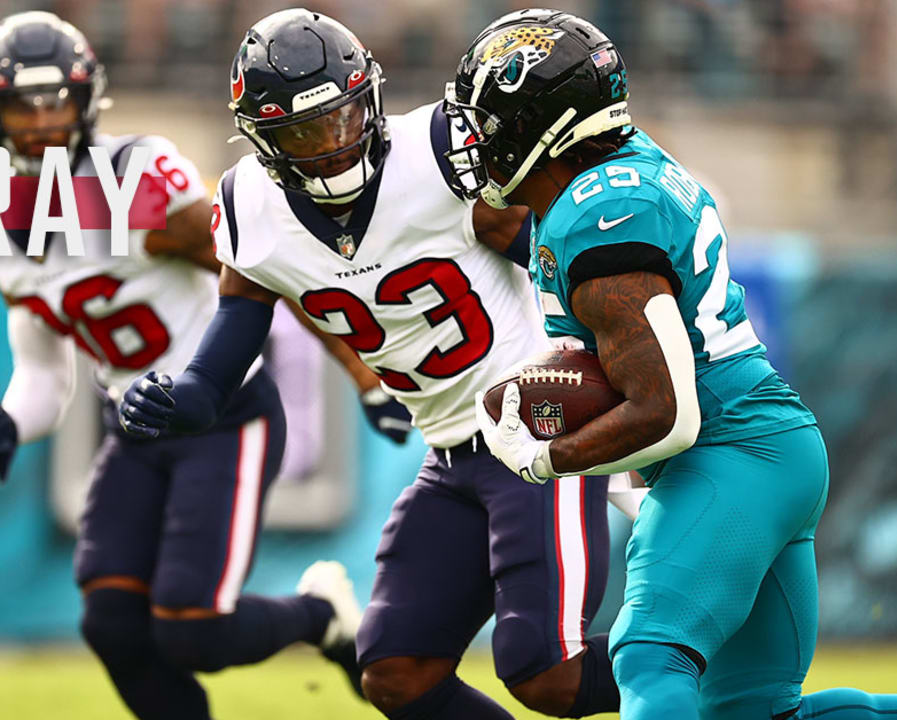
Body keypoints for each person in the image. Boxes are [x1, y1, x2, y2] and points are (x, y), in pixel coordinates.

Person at [120, 9, 648, 719]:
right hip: (451, 456)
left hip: (537, 427)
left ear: (369, 99)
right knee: (397, 672)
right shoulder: (251, 205)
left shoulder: (442, 155)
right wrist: (187, 396)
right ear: (265, 142)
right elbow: (234, 334)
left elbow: (568, 266)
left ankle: (729, 672)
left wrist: (621, 387)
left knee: (546, 673)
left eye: (340, 121)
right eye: (305, 135)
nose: (333, 148)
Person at [448, 9, 897, 720]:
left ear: (543, 125)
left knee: (648, 650)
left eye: (492, 123)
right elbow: (631, 365)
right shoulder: (614, 174)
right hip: (766, 449)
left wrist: (550, 459)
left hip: (731, 448)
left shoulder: (597, 212)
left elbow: (667, 410)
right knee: (755, 711)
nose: (477, 143)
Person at [0, 11, 402, 718]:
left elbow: (273, 272)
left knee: (191, 631)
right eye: (21, 106)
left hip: (223, 417)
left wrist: (363, 375)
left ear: (86, 102)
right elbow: (45, 371)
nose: (41, 126)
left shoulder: (138, 179)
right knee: (111, 624)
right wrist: (12, 417)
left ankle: (322, 615)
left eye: (55, 105)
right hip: (132, 428)